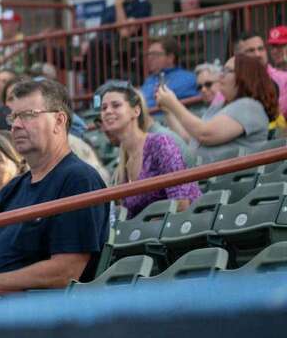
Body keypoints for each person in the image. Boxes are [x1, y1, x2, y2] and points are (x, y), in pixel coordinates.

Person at [0, 79, 107, 301]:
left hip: (26, 310)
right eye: (13, 117)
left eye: (27, 115)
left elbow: (66, 272)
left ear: (59, 120)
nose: (15, 125)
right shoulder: (13, 188)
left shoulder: (78, 180)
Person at [98, 82, 199, 216]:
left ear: (136, 111)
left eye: (116, 105)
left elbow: (181, 203)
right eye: (104, 108)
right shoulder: (124, 159)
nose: (108, 111)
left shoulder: (160, 143)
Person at [158, 54, 278, 162]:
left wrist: (174, 104)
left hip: (227, 178)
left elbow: (205, 134)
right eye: (222, 70)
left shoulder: (249, 106)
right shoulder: (218, 107)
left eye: (227, 71)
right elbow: (190, 138)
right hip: (203, 175)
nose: (220, 75)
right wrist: (168, 110)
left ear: (245, 76)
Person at [236, 30, 287, 116]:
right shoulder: (231, 80)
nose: (258, 54)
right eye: (251, 50)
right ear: (238, 57)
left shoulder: (284, 79)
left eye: (261, 49)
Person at [141, 36, 197, 108]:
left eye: (155, 54)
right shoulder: (149, 81)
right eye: (148, 55)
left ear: (170, 57)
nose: (150, 58)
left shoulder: (188, 79)